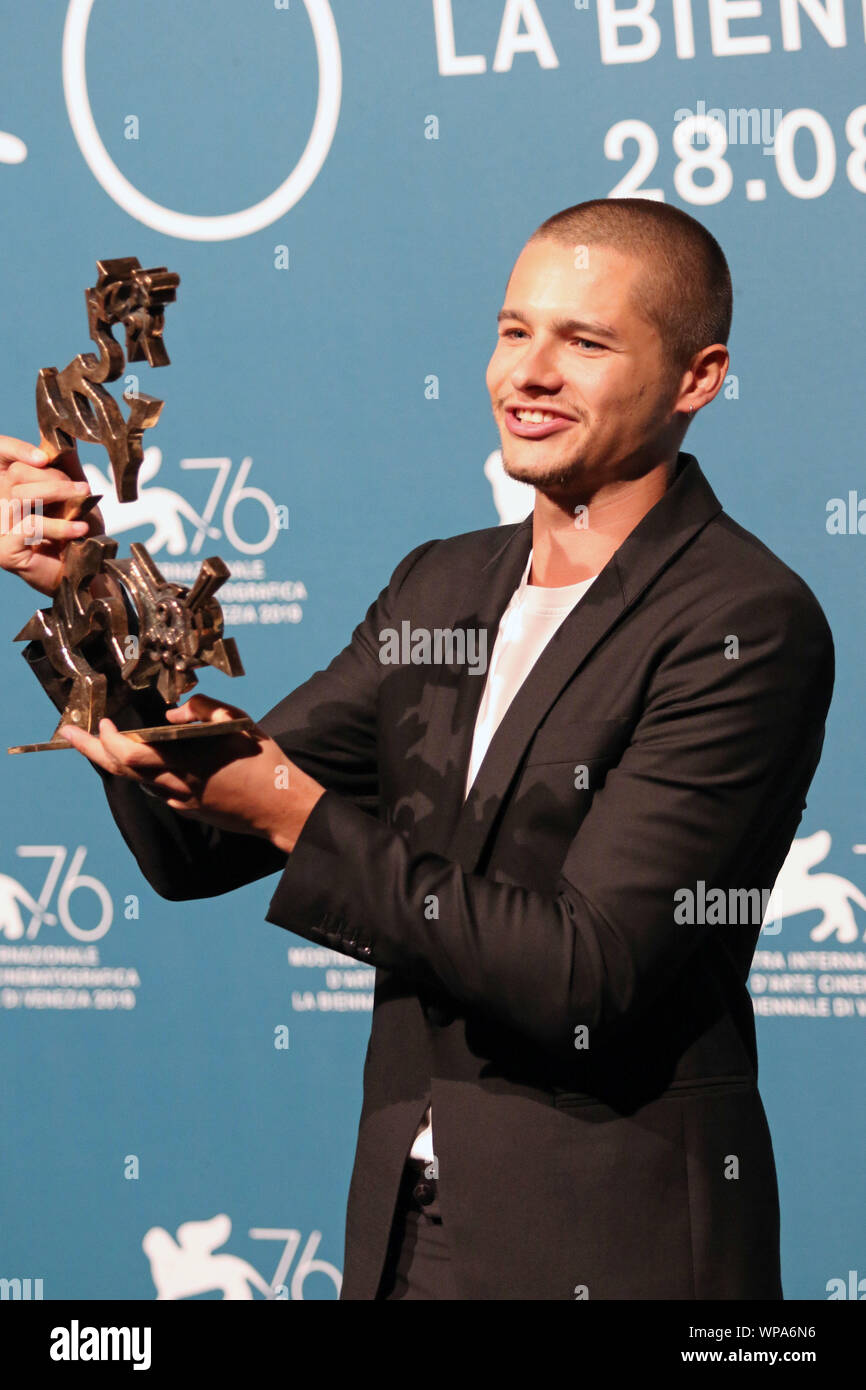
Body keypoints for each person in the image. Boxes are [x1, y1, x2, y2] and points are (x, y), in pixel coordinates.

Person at [0, 199, 834, 1300]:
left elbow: (588, 973)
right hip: (404, 1237)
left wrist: (295, 813)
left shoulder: (742, 621)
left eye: (585, 342)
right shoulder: (441, 587)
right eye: (512, 330)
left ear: (698, 377)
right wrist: (95, 604)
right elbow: (192, 851)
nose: (529, 373)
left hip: (611, 1243)